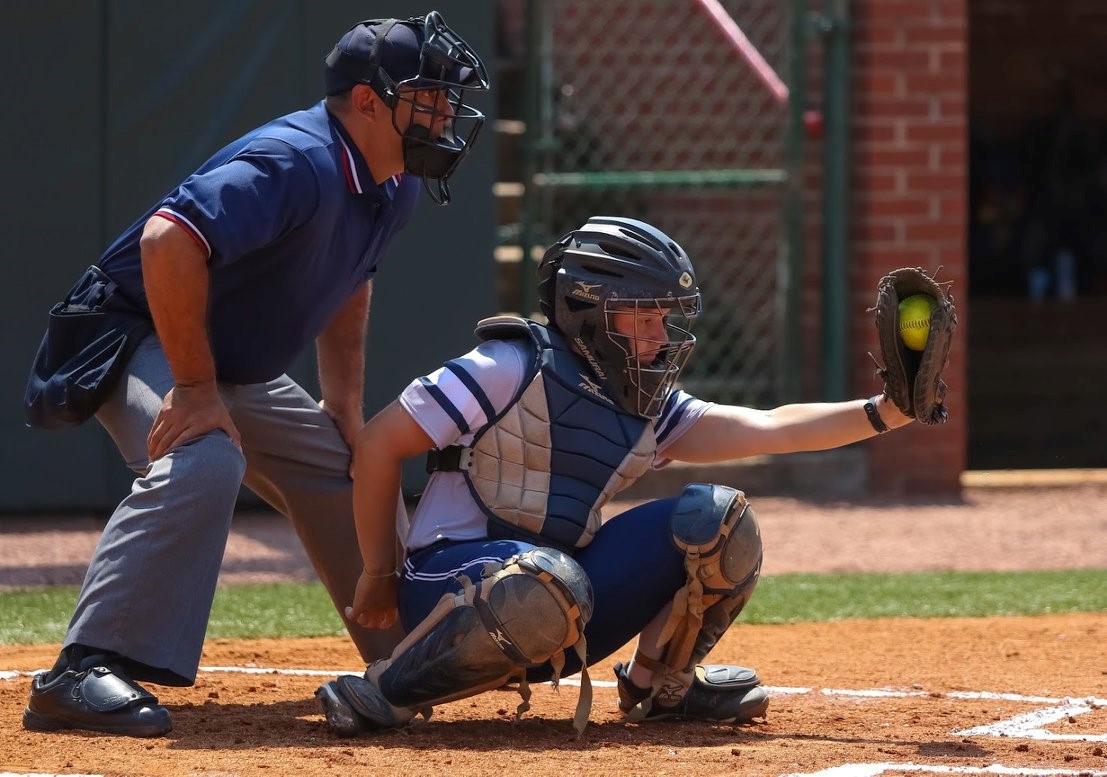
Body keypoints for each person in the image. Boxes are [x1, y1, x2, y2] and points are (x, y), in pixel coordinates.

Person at [22, 11, 489, 738]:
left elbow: (350, 284)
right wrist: (199, 391)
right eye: (427, 97)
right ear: (368, 101)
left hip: (225, 360)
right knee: (204, 458)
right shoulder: (294, 159)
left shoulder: (390, 182)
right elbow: (168, 240)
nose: (444, 112)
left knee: (348, 466)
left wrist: (343, 406)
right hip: (131, 334)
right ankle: (79, 670)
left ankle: (406, 657)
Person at [315, 216, 920, 737]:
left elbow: (770, 427)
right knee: (545, 581)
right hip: (449, 584)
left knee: (719, 519)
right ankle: (388, 691)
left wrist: (888, 411)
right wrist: (379, 573)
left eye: (665, 318)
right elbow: (377, 445)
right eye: (645, 316)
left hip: (562, 601)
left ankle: (660, 686)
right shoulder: (506, 365)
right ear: (588, 310)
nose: (661, 338)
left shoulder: (647, 403)